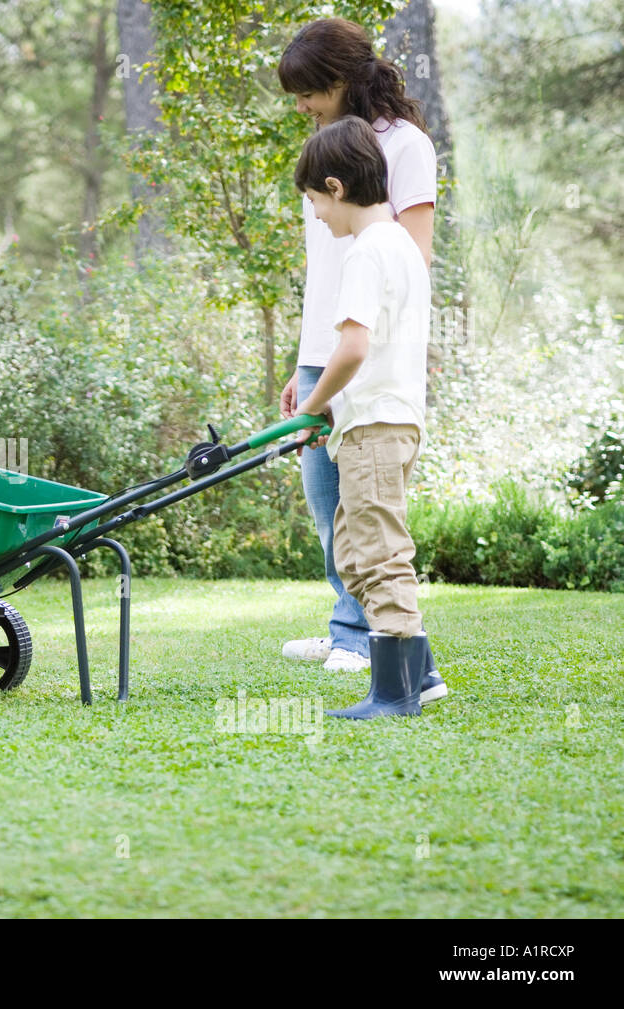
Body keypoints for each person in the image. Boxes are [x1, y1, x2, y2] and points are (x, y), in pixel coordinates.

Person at [275, 17, 445, 703]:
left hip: (366, 354)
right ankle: (354, 623)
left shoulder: (404, 147)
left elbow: (412, 259)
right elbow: (325, 271)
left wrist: (365, 348)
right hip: (328, 347)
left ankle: (364, 639)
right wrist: (302, 363)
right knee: (332, 510)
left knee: (369, 512)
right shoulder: (329, 150)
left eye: (308, 92)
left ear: (340, 79)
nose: (301, 107)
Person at [291, 116, 432, 718]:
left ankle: (394, 692)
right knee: (355, 549)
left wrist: (312, 407)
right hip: (384, 419)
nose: (318, 216)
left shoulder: (366, 252)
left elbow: (350, 349)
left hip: (374, 423)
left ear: (336, 187)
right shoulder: (400, 242)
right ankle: (419, 675)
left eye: (316, 202)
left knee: (379, 553)